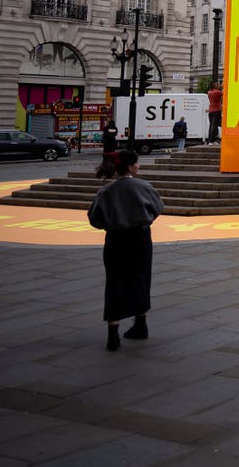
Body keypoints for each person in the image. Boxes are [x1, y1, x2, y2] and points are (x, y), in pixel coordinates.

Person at [87, 149, 164, 352]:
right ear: (130, 166)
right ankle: (141, 323)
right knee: (140, 277)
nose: (139, 166)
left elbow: (94, 218)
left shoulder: (106, 190)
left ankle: (113, 333)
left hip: (115, 239)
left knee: (115, 281)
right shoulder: (143, 187)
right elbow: (157, 207)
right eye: (137, 163)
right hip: (140, 238)